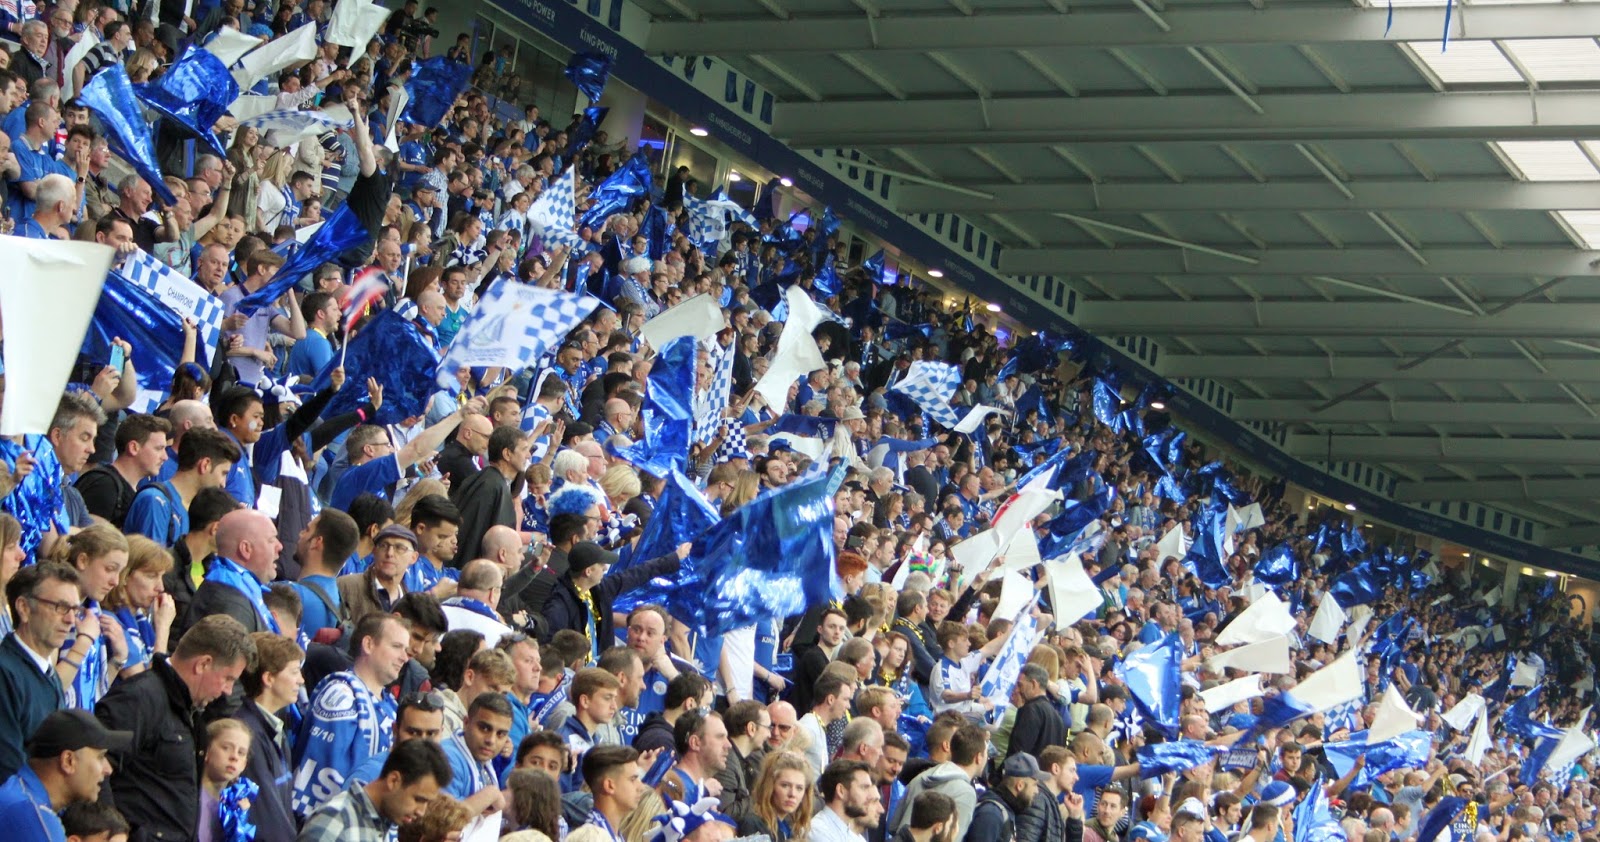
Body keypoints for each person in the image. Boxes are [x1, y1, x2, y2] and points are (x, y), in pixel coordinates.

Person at [96, 615, 257, 842]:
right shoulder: (139, 698)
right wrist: (114, 834)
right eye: (228, 679)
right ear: (203, 664)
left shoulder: (191, 711)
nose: (228, 691)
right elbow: (94, 770)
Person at [291, 613, 407, 818]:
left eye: (405, 650)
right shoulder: (342, 696)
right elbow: (321, 785)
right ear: (368, 644)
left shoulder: (390, 704)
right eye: (397, 647)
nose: (404, 657)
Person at [0, 563, 80, 781]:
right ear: (24, 608)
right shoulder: (5, 673)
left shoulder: (46, 673)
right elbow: (8, 770)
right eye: (60, 607)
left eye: (75, 610)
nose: (71, 620)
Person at [0, 709, 124, 842]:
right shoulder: (29, 814)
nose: (108, 769)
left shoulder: (26, 798)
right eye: (100, 757)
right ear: (68, 761)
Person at [297, 738, 454, 842]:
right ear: (393, 780)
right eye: (418, 799)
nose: (421, 811)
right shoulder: (336, 820)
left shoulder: (387, 821)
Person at [238, 632, 305, 842]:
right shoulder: (246, 735)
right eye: (294, 672)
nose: (301, 680)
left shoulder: (275, 729)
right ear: (268, 678)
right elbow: (267, 817)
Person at [178, 509, 284, 638]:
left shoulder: (231, 592)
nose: (280, 547)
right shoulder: (230, 605)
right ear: (246, 549)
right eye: (271, 540)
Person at [450, 425, 530, 564]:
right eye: (524, 449)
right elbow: (472, 538)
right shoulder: (491, 486)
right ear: (507, 454)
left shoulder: (489, 481)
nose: (528, 455)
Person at [439, 692, 512, 817]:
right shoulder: (447, 758)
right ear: (466, 723)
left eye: (500, 734)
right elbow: (441, 817)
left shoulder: (483, 758)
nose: (491, 740)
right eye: (484, 728)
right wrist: (489, 795)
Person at [564, 745, 646, 842]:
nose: (641, 787)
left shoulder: (614, 835)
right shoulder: (591, 838)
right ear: (609, 786)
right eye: (633, 779)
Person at [736, 750, 814, 842]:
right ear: (770, 786)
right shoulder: (752, 823)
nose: (792, 794)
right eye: (785, 785)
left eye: (799, 788)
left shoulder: (789, 830)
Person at [969, 753, 1048, 842]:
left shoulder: (1006, 810)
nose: (1037, 791)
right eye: (1034, 785)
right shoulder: (991, 814)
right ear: (1020, 786)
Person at [198, 719, 255, 842]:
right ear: (206, 751)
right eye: (226, 748)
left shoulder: (235, 807)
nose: (234, 757)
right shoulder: (189, 795)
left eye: (241, 753)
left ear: (244, 764)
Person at [812, 759, 880, 842]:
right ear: (841, 791)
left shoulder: (858, 839)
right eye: (864, 788)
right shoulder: (818, 831)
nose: (870, 797)